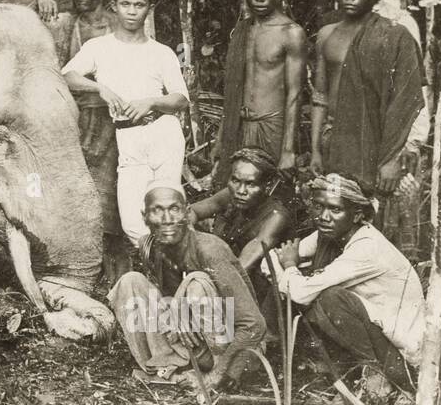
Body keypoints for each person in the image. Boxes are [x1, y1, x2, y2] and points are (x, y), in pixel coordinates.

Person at [266, 173, 424, 391]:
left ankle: (377, 380)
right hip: (377, 334)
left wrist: (291, 266)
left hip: (403, 358)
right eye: (319, 206)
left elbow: (298, 289)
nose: (324, 216)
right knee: (315, 289)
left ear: (357, 215)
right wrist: (290, 270)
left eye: (335, 209)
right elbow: (272, 259)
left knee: (329, 298)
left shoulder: (367, 247)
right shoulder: (331, 233)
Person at [63, 0, 189, 245]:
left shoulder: (161, 52)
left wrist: (151, 101)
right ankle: (162, 266)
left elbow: (181, 99)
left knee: (169, 212)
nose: (132, 11)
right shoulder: (99, 47)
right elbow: (66, 76)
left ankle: (175, 277)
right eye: (125, 4)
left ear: (148, 8)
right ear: (114, 6)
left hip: (163, 133)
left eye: (139, 5)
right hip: (128, 137)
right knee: (133, 221)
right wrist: (100, 89)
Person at [109, 183, 266, 390]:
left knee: (197, 282)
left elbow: (254, 324)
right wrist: (178, 309)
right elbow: (169, 301)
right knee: (130, 282)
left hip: (237, 351)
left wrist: (219, 375)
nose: (167, 220)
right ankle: (167, 366)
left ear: (187, 212)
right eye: (157, 211)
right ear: (145, 217)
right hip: (193, 342)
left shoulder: (209, 249)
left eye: (174, 209)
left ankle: (209, 374)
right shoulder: (153, 245)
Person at [311, 0, 425, 215]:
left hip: (377, 145)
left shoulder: (395, 36)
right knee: (336, 214)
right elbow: (320, 96)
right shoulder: (326, 35)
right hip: (335, 142)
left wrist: (392, 160)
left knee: (376, 218)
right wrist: (316, 150)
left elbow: (408, 102)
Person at [50, 0, 128, 281]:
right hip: (72, 119)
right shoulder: (66, 24)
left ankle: (112, 269)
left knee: (108, 194)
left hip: (112, 121)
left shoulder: (118, 27)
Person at [212, 0, 305, 185]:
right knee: (234, 193)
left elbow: (295, 95)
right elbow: (233, 92)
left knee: (270, 192)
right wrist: (221, 138)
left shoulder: (291, 33)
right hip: (239, 126)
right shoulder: (242, 31)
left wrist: (288, 150)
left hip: (272, 127)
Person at [189, 146, 292, 296]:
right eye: (235, 180)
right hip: (222, 275)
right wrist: (191, 237)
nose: (241, 190)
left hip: (256, 292)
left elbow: (242, 268)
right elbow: (191, 212)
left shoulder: (276, 217)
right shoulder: (233, 194)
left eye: (250, 184)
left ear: (267, 185)